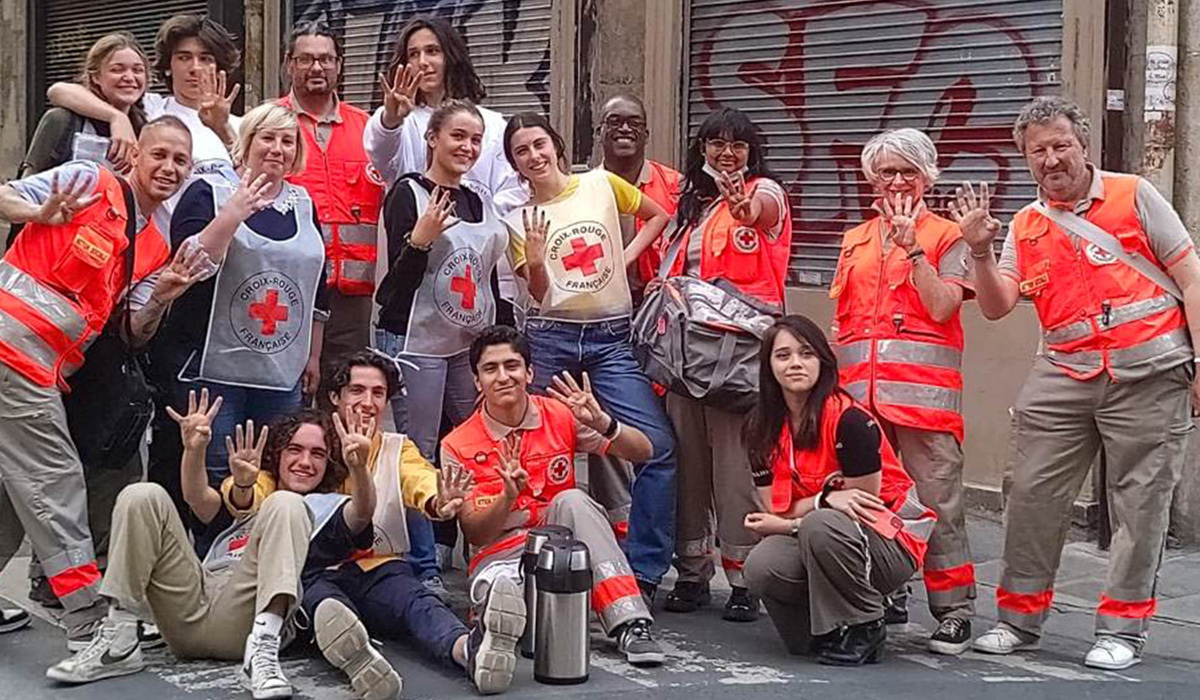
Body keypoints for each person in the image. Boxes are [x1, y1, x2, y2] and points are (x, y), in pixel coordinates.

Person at [959, 96, 1200, 670]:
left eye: (1060, 145)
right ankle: (1018, 620)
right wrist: (981, 250)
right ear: (1025, 160)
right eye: (1037, 151)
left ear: (1084, 146)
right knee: (1031, 495)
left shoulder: (1134, 194)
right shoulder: (1024, 223)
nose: (1050, 159)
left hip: (1150, 373)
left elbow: (1191, 277)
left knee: (1141, 505)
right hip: (1064, 371)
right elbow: (996, 307)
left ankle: (1122, 628)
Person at [0, 117, 210, 646]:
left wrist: (163, 295)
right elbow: (4, 196)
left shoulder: (157, 244)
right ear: (135, 154)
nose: (168, 168)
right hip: (12, 352)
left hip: (45, 368)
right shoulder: (88, 182)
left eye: (180, 161)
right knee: (55, 479)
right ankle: (88, 619)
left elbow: (132, 332)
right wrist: (36, 213)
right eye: (159, 155)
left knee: (10, 488)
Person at [365, 14, 524, 589]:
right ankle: (420, 565)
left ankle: (480, 542)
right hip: (415, 345)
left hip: (465, 348)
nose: (466, 146)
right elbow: (394, 290)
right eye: (457, 136)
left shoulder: (483, 202)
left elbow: (490, 282)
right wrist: (420, 240)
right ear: (433, 139)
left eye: (475, 140)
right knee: (418, 452)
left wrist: (505, 338)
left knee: (472, 442)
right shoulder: (407, 192)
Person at [0, 31, 151, 611]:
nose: (131, 78)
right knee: (55, 473)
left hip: (67, 344)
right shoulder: (71, 127)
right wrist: (113, 117)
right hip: (25, 326)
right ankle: (87, 617)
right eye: (117, 69)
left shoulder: (149, 122)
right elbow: (56, 89)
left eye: (139, 70)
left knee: (27, 472)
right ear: (96, 77)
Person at [503, 112, 678, 601]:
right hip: (551, 337)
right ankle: (531, 560)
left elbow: (659, 214)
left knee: (657, 448)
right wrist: (536, 262)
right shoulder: (519, 220)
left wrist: (623, 256)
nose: (534, 157)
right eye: (521, 151)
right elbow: (538, 294)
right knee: (532, 453)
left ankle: (643, 570)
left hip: (611, 339)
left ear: (556, 145)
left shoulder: (601, 184)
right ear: (514, 164)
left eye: (539, 144)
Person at [45, 394, 320, 699]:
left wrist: (359, 467)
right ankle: (119, 639)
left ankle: (263, 650)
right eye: (295, 450)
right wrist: (194, 450)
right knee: (142, 495)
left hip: (247, 618)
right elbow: (198, 498)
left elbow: (360, 517)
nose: (305, 462)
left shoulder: (331, 510)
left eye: (318, 454)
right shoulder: (245, 493)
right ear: (278, 455)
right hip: (191, 607)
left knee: (288, 503)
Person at [295, 351, 522, 696]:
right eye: (356, 391)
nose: (367, 402)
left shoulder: (397, 448)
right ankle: (361, 662)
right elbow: (267, 487)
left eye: (378, 393)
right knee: (327, 607)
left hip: (378, 570)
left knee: (419, 602)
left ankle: (472, 652)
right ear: (334, 398)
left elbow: (419, 478)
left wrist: (439, 500)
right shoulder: (309, 441)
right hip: (317, 574)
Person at [829, 127, 976, 653]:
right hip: (861, 405)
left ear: (926, 178)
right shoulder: (855, 239)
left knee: (938, 507)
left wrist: (914, 252)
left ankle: (954, 609)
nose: (896, 181)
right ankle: (886, 591)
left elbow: (941, 308)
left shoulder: (947, 236)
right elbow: (842, 323)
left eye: (907, 171)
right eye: (886, 171)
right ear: (871, 178)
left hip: (924, 403)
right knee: (872, 506)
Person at [444, 325, 666, 667]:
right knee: (501, 594)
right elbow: (475, 533)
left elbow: (644, 452)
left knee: (573, 500)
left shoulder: (561, 414)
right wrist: (507, 496)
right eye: (490, 369)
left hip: (559, 550)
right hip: (500, 555)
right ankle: (501, 623)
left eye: (512, 366)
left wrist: (605, 422)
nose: (503, 377)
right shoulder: (456, 444)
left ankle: (631, 623)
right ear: (477, 381)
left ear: (529, 372)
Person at [147, 102, 327, 494]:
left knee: (274, 466)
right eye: (267, 137)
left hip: (281, 370)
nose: (277, 148)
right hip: (212, 368)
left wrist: (313, 353)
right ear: (246, 142)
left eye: (287, 141)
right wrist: (232, 214)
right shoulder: (207, 191)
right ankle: (211, 550)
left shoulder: (303, 203)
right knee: (216, 468)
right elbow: (187, 266)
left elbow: (318, 284)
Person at [741, 315, 936, 666]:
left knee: (823, 525)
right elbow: (772, 506)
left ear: (823, 361)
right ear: (768, 366)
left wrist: (791, 523)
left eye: (806, 353)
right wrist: (821, 500)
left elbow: (862, 511)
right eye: (783, 356)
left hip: (888, 542)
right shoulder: (760, 427)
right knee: (761, 565)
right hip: (822, 533)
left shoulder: (851, 421)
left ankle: (866, 623)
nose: (796, 363)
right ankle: (824, 629)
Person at [660, 107, 793, 621]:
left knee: (736, 471)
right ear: (701, 151)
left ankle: (744, 578)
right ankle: (692, 574)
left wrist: (744, 207)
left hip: (739, 358)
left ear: (752, 152)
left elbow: (757, 211)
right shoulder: (690, 208)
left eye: (737, 144)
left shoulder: (766, 193)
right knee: (688, 471)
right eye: (715, 143)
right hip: (686, 358)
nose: (726, 153)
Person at [583, 94, 682, 545]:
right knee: (600, 420)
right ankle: (620, 524)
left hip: (663, 322)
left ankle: (669, 531)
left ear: (647, 132)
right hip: (604, 321)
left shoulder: (675, 187)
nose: (624, 130)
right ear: (599, 131)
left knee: (662, 429)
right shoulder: (580, 187)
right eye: (614, 122)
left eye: (634, 123)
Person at [278, 21, 386, 402]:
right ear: (289, 65)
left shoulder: (369, 129)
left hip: (352, 295)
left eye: (325, 59)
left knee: (346, 397)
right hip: (288, 288)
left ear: (339, 65)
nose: (316, 67)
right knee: (286, 398)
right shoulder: (273, 124)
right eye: (305, 59)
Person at [48, 13, 243, 197]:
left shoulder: (242, 126)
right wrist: (117, 117)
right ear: (168, 67)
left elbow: (258, 185)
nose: (195, 68)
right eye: (184, 58)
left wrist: (223, 128)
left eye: (205, 58)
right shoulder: (150, 108)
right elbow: (59, 91)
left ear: (220, 67)